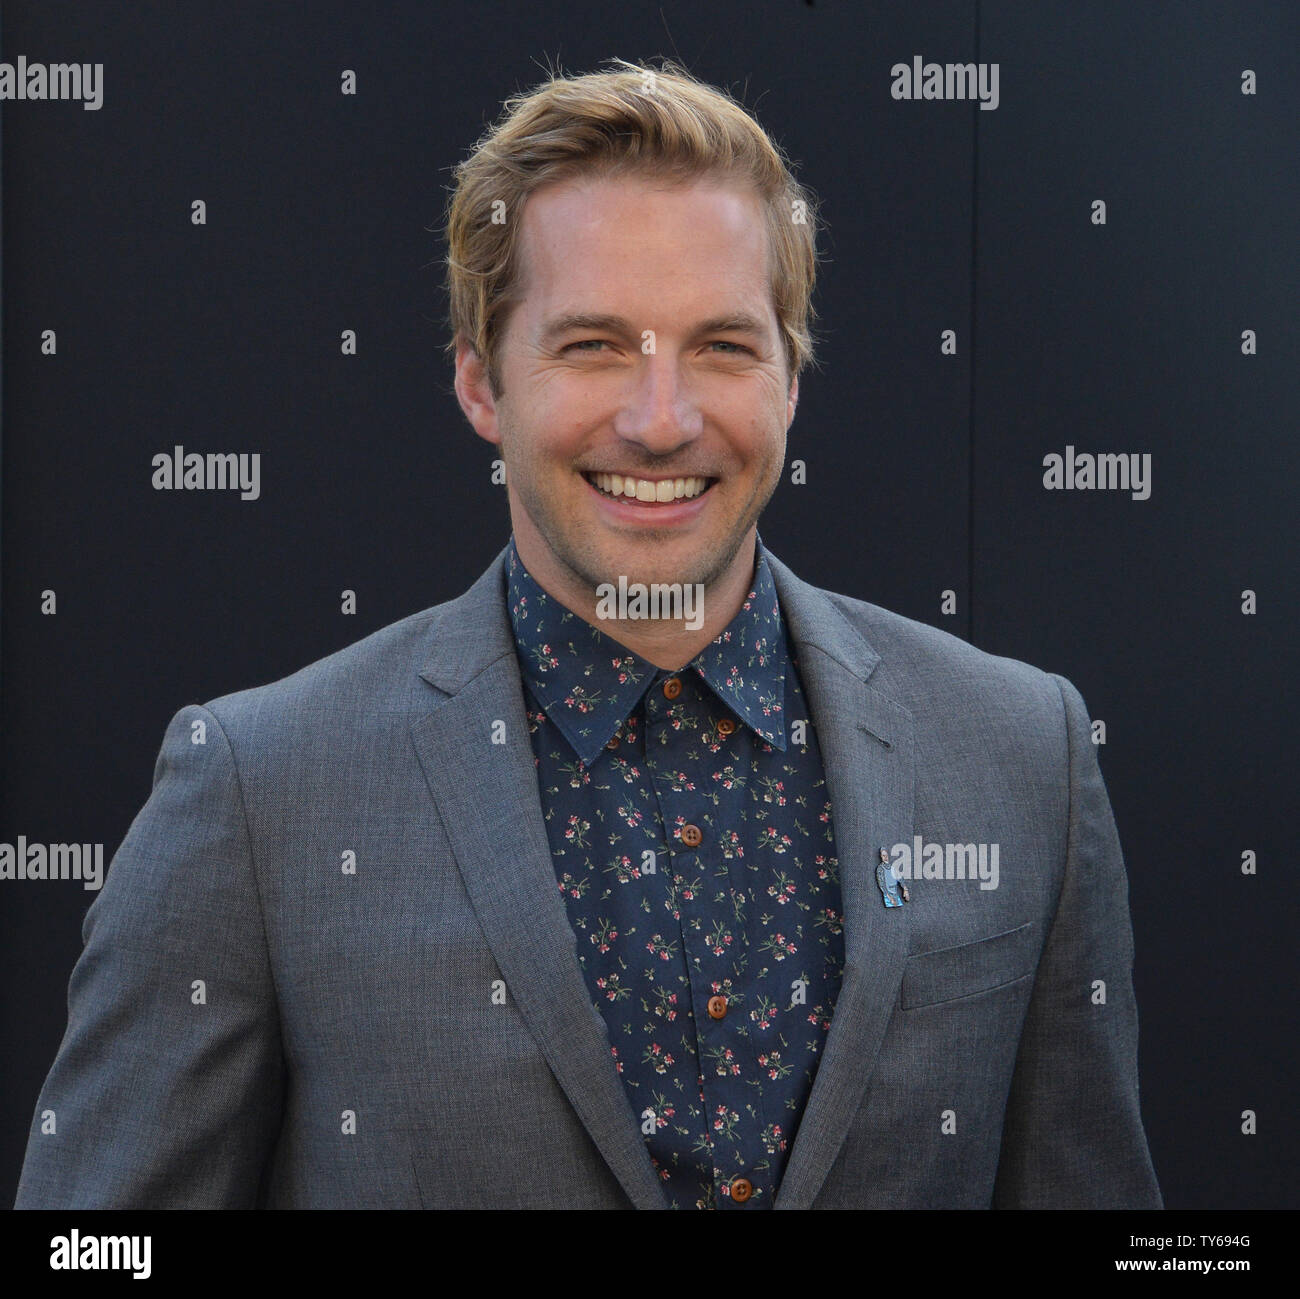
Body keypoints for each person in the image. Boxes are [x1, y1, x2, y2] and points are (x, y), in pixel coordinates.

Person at [16, 58, 1161, 1210]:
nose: (659, 421)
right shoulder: (261, 797)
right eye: (593, 346)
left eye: (722, 345)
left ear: (790, 378)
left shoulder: (1021, 757)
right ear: (480, 385)